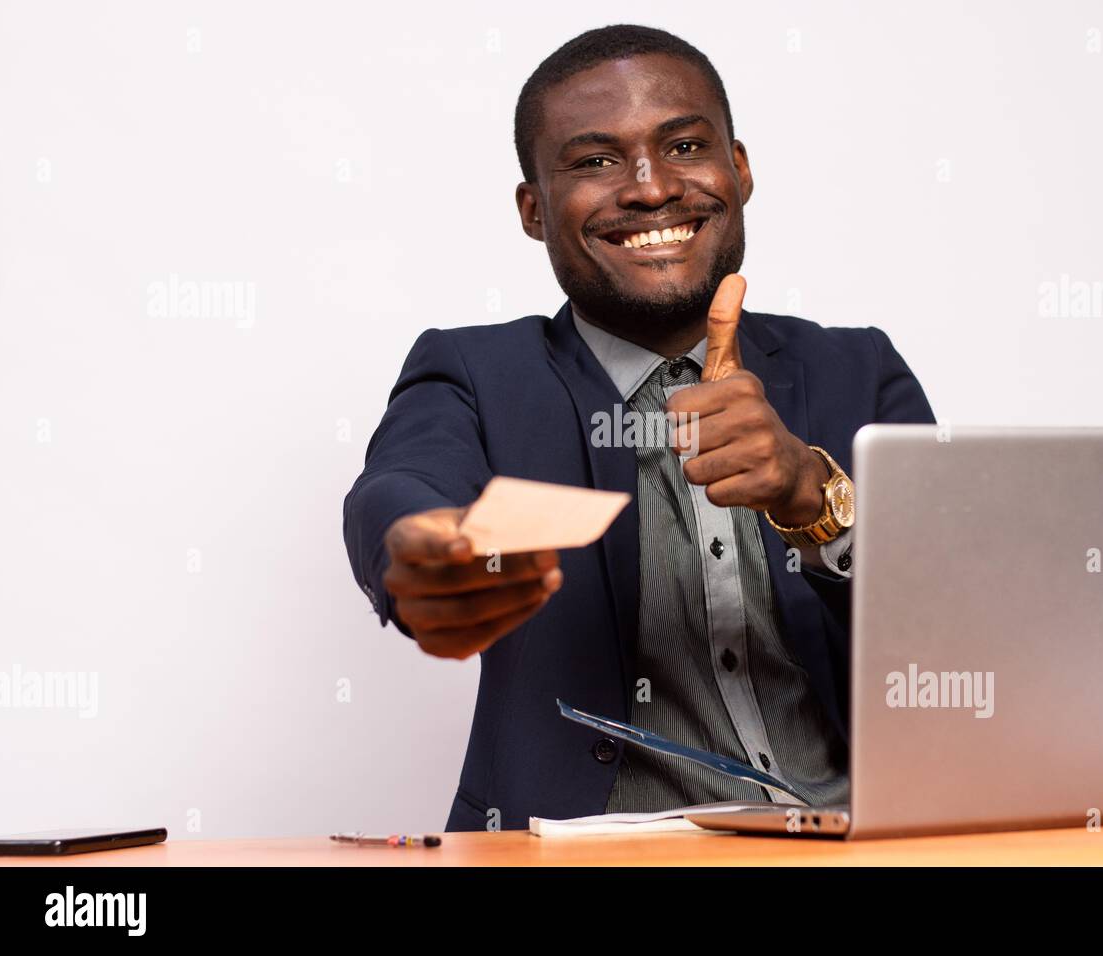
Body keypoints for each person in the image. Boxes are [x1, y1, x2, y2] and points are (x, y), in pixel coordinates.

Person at [343, 24, 935, 830]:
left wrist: (812, 495)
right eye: (594, 161)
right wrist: (422, 551)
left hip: (867, 840)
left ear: (741, 169)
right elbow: (400, 485)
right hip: (590, 851)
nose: (651, 189)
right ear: (532, 208)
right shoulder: (477, 371)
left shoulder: (856, 370)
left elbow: (954, 636)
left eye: (686, 145)